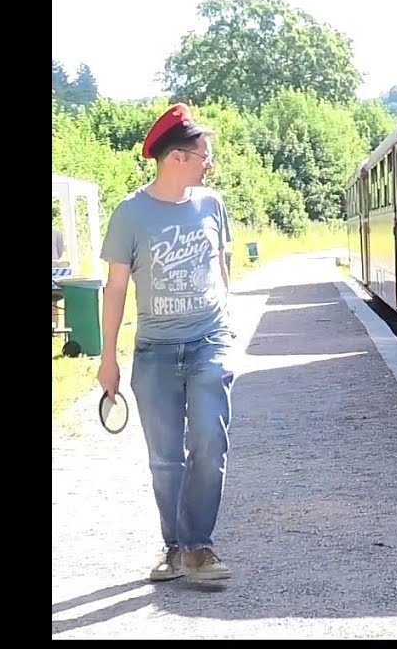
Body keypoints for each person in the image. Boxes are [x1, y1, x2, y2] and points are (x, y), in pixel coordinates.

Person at [97, 102, 236, 582]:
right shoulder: (130, 214)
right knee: (164, 458)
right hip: (155, 352)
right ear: (177, 158)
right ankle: (175, 547)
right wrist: (107, 359)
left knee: (209, 444)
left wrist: (227, 315)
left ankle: (199, 547)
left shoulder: (212, 204)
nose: (209, 163)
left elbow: (222, 261)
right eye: (204, 155)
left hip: (209, 344)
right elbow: (114, 289)